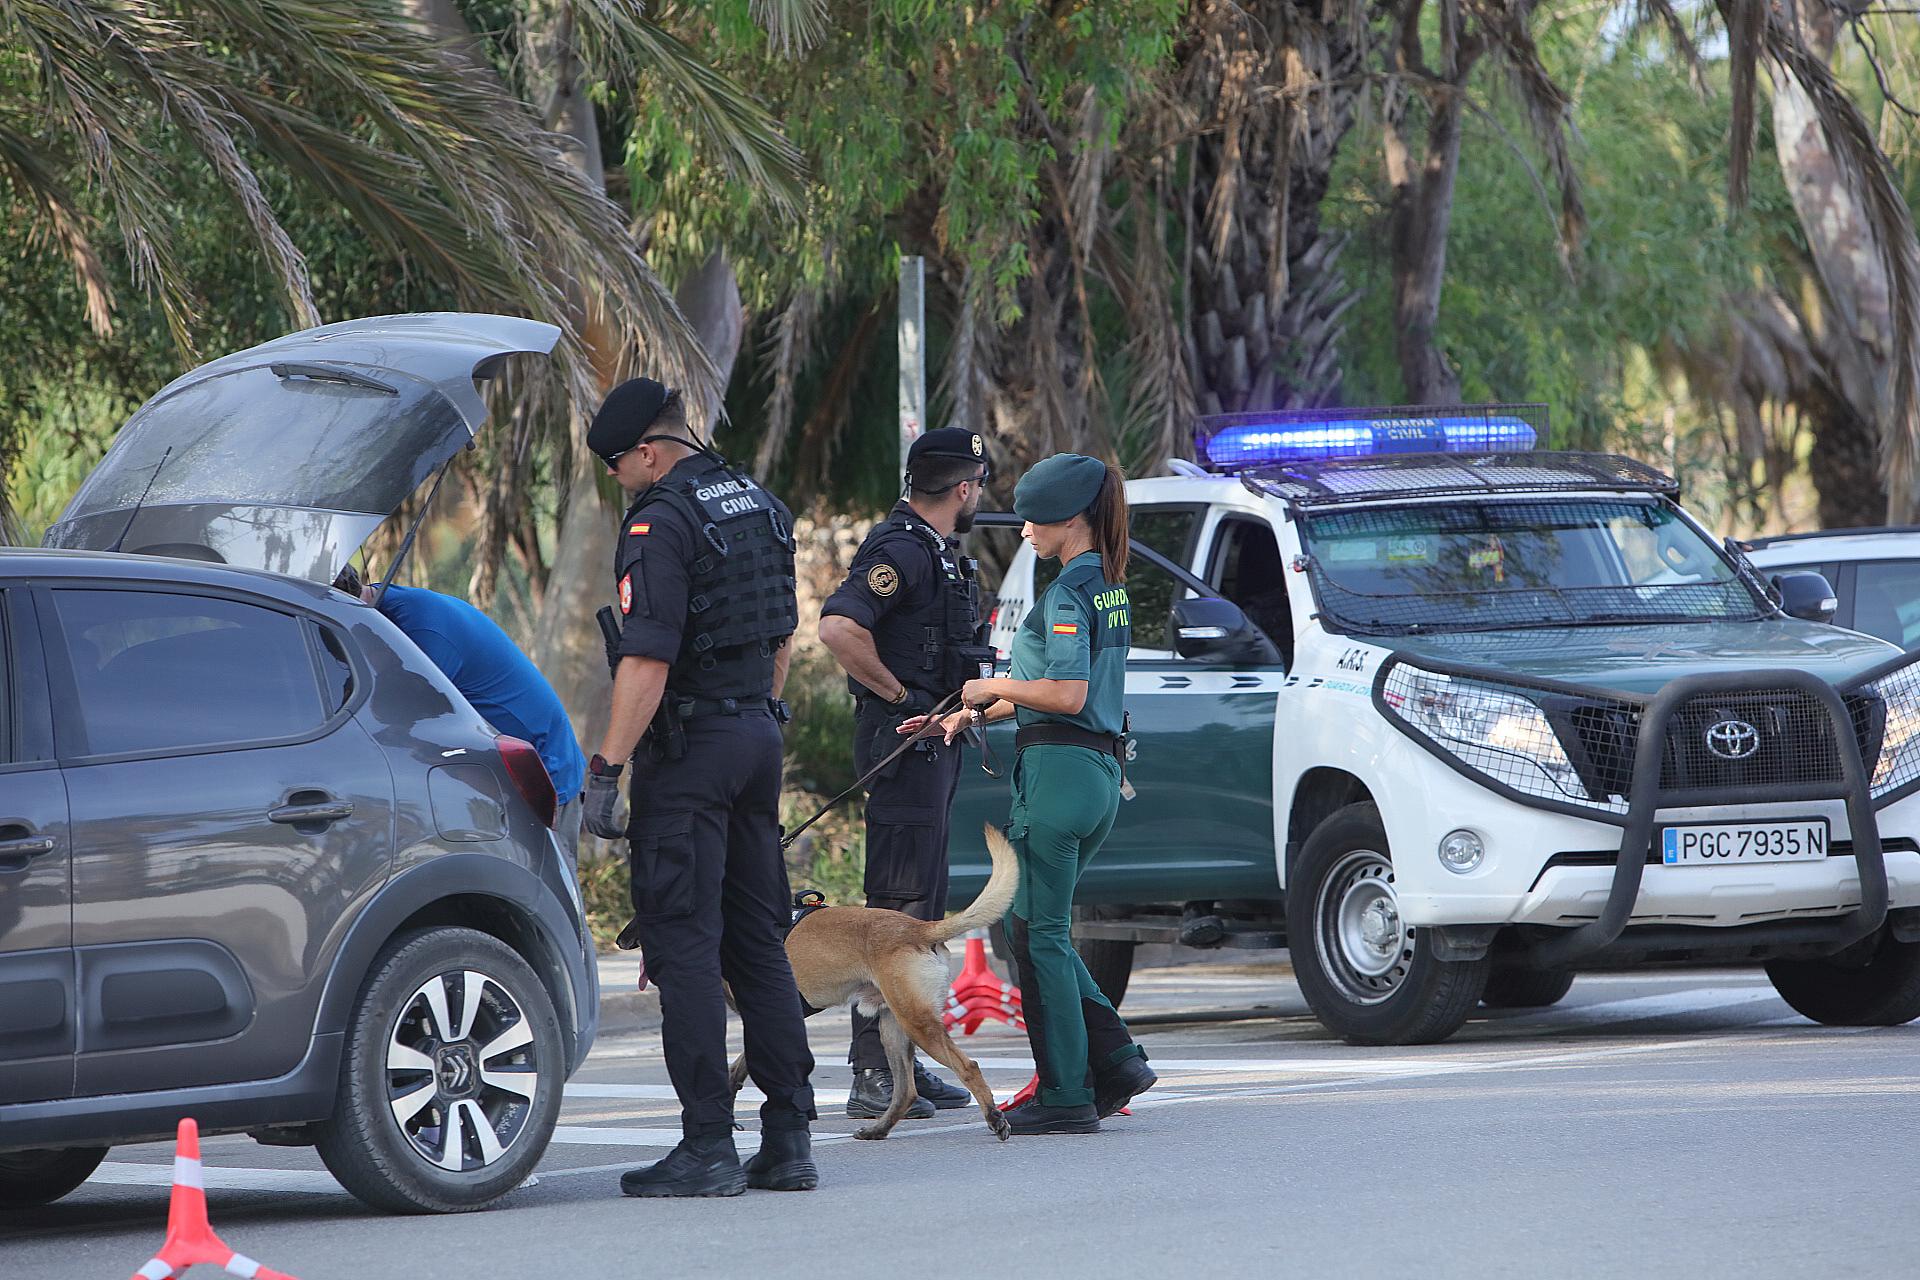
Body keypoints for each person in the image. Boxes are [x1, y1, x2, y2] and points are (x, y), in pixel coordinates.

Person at [578, 377, 818, 1197]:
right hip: (756, 734)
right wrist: (760, 713)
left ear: (648, 450)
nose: (617, 480)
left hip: (692, 754)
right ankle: (789, 1139)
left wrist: (606, 769)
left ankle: (707, 1146)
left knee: (682, 945)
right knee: (759, 941)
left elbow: (647, 660)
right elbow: (782, 632)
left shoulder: (661, 520)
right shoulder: (756, 502)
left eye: (617, 465)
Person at [904, 453, 1156, 1135]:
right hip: (1093, 772)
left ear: (1070, 519)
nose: (1024, 531)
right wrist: (964, 716)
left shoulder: (1068, 596)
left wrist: (994, 686)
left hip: (1060, 779)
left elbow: (1065, 695)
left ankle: (1069, 1094)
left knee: (1038, 938)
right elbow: (1062, 697)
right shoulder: (1107, 585)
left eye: (1035, 519)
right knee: (1034, 927)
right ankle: (1118, 1060)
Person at [818, 427, 994, 1119]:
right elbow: (838, 628)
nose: (979, 494)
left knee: (917, 911)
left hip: (931, 748)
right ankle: (873, 1074)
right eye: (977, 483)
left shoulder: (933, 552)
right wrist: (900, 699)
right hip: (902, 744)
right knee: (892, 912)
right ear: (963, 487)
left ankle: (907, 1066)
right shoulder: (900, 549)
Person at [333, 566, 586, 858]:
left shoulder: (421, 630)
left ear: (347, 600)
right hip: (490, 774)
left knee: (541, 888)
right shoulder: (381, 614)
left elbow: (403, 719)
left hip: (540, 768)